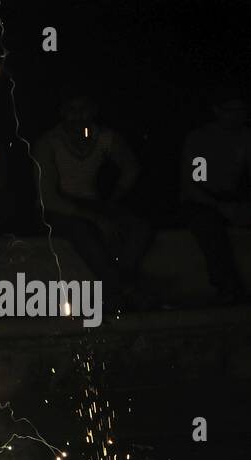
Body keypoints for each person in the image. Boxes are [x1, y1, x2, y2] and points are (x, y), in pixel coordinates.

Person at [34, 95, 154, 314]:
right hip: (58, 207)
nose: (79, 115)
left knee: (140, 229)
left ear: (93, 110)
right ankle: (123, 290)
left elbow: (131, 167)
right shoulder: (49, 143)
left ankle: (118, 285)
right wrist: (97, 218)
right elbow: (48, 197)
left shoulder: (103, 138)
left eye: (84, 109)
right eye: (72, 109)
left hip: (92, 203)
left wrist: (114, 199)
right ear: (62, 112)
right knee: (84, 235)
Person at [181, 88, 251, 304]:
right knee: (208, 225)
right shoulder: (200, 140)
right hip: (202, 200)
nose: (238, 115)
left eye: (243, 110)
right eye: (232, 110)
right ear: (217, 111)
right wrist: (221, 206)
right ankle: (227, 287)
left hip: (231, 197)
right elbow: (194, 185)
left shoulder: (246, 137)